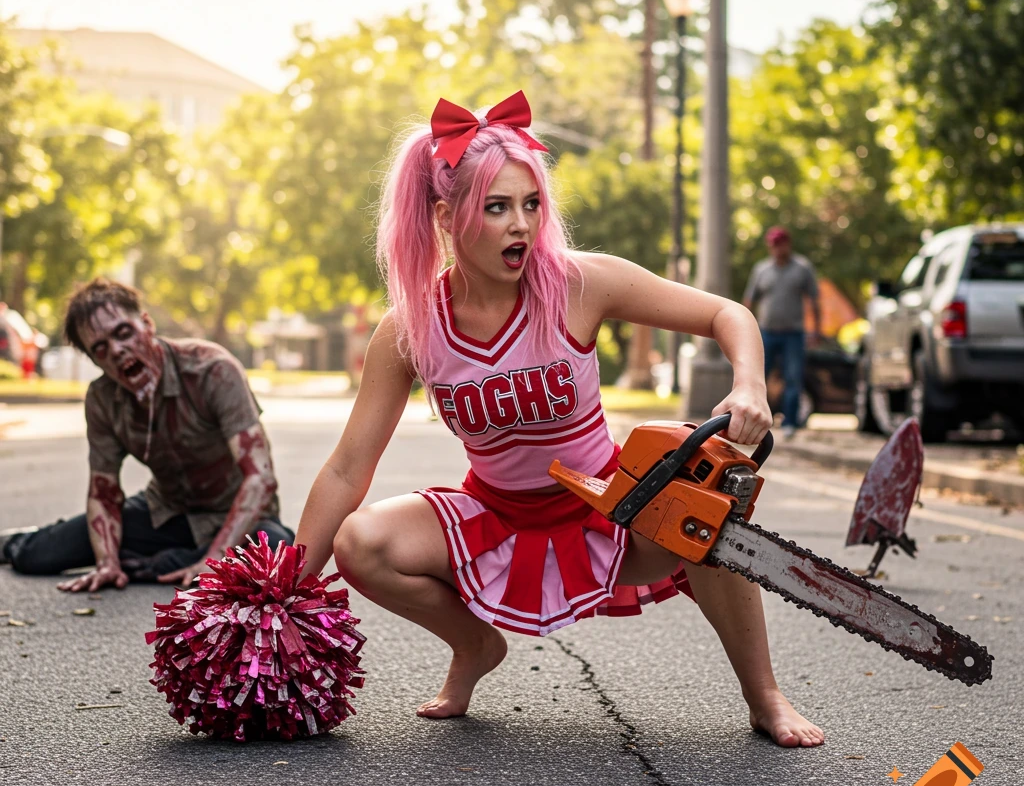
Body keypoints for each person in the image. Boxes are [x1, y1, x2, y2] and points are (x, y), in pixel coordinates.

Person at [296, 91, 824, 748]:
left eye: (530, 204)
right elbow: (348, 467)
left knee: (712, 515)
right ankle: (475, 647)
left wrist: (750, 386)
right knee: (360, 543)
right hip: (496, 518)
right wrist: (282, 589)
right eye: (496, 208)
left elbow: (727, 314)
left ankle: (764, 695)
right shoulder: (408, 328)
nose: (521, 224)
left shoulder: (579, 284)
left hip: (610, 509)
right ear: (445, 216)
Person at [0, 279, 293, 591]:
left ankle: (170, 563)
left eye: (123, 333)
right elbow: (104, 492)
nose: (116, 350)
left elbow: (260, 479)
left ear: (147, 324)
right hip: (163, 515)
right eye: (100, 348)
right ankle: (157, 562)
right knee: (38, 556)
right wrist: (107, 562)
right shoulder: (102, 399)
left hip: (235, 520)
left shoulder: (213, 369)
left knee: (276, 546)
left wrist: (215, 556)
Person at [742, 226, 821, 438]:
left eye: (780, 244)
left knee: (793, 378)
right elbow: (750, 300)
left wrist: (816, 330)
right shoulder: (761, 270)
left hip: (793, 334)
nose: (777, 249)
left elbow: (814, 301)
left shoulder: (802, 268)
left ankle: (790, 423)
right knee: (757, 377)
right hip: (766, 332)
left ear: (788, 244)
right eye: (773, 245)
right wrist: (744, 330)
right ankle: (755, 421)